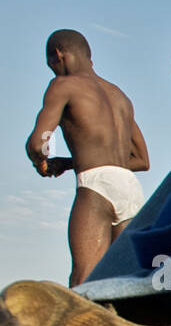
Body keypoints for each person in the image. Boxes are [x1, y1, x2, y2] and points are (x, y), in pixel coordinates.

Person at [25, 29, 149, 285]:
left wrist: (41, 162)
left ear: (58, 55)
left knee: (84, 281)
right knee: (121, 283)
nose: (53, 72)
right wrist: (70, 162)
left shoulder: (64, 85)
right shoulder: (120, 96)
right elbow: (142, 160)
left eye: (51, 65)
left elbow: (38, 143)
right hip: (131, 189)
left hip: (97, 186)